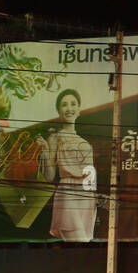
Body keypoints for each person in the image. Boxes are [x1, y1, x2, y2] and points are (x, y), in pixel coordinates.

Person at [36, 89, 98, 241]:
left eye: (73, 104)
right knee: (80, 241)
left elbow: (90, 176)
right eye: (64, 105)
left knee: (83, 246)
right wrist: (44, 152)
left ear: (79, 109)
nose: (69, 108)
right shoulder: (55, 138)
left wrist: (94, 198)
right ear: (59, 111)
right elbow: (50, 176)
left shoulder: (84, 141)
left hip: (87, 197)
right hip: (67, 195)